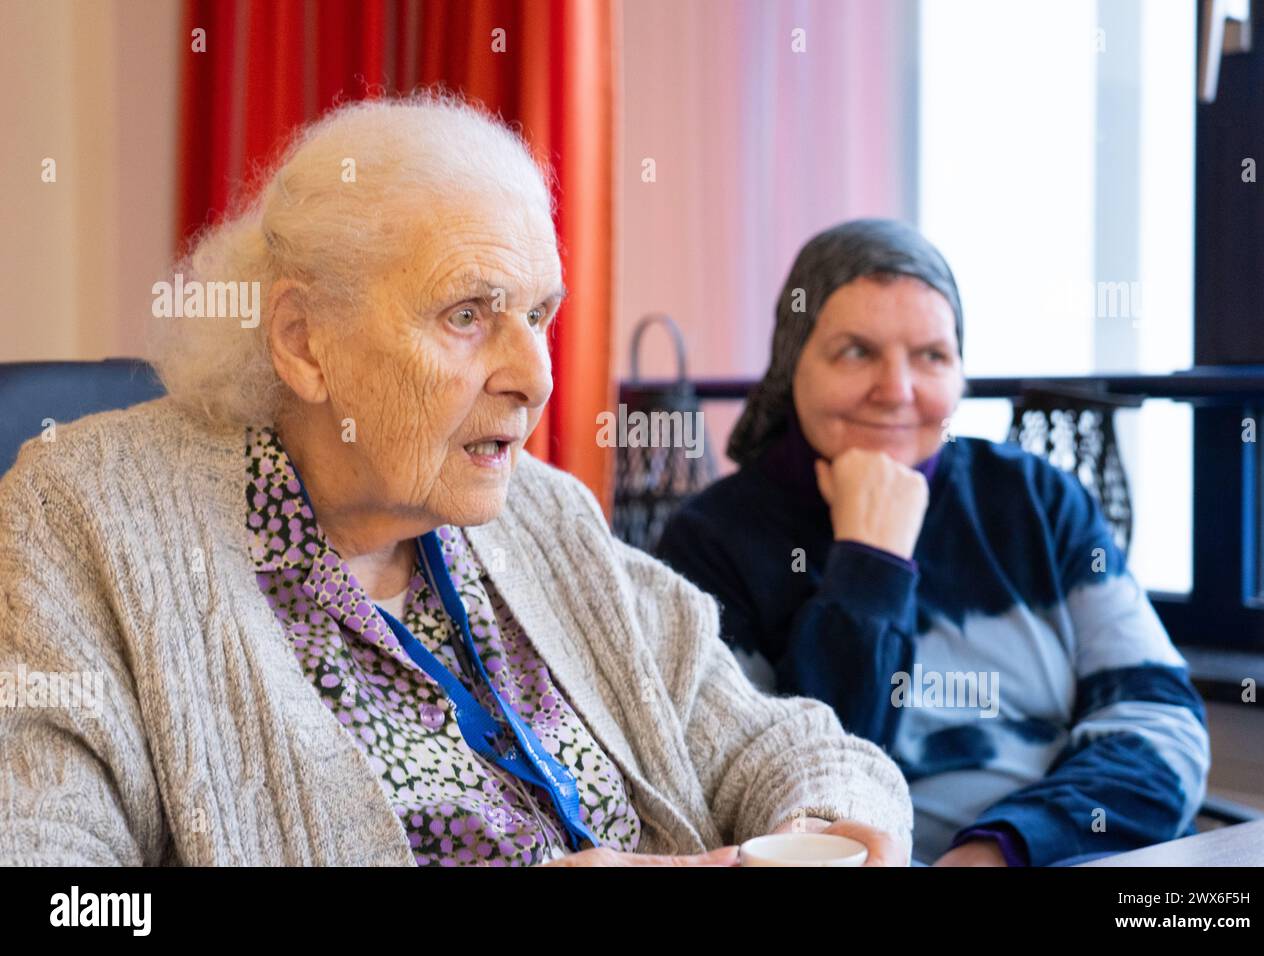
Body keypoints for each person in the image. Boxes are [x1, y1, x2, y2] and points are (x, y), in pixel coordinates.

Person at [0, 98, 912, 867]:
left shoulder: (544, 516)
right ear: (304, 341)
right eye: (468, 313)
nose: (538, 376)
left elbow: (782, 743)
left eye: (540, 314)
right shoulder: (88, 513)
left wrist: (818, 834)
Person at [657, 219, 1210, 866]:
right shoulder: (709, 543)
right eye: (856, 352)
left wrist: (1000, 848)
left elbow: (1160, 722)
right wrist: (870, 563)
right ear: (790, 365)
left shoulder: (1035, 499)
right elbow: (774, 791)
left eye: (931, 356)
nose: (898, 391)